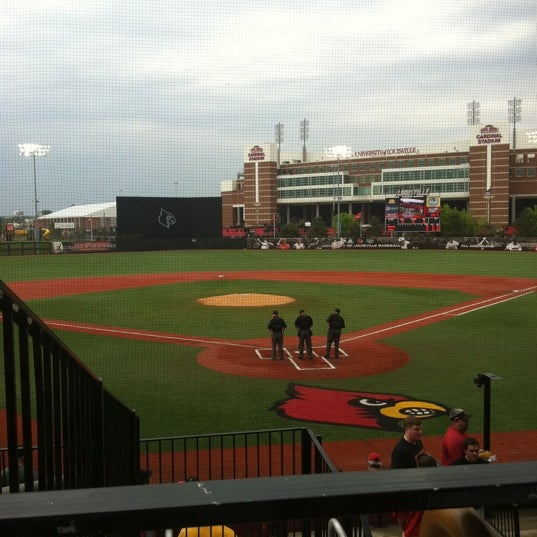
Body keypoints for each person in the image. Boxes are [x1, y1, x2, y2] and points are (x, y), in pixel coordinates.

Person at [396, 453, 438, 537]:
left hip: (413, 533)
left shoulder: (409, 489)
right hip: (435, 532)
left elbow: (401, 517)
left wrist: (406, 530)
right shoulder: (442, 488)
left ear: (419, 468)